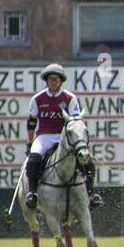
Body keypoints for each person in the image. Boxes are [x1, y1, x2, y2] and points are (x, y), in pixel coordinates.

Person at [23, 63, 102, 210]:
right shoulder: (37, 99)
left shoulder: (69, 98)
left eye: (56, 79)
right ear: (46, 81)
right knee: (33, 159)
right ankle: (32, 193)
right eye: (51, 79)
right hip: (44, 137)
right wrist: (29, 143)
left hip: (64, 138)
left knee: (88, 162)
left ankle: (91, 195)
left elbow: (75, 123)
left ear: (61, 81)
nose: (53, 82)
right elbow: (32, 123)